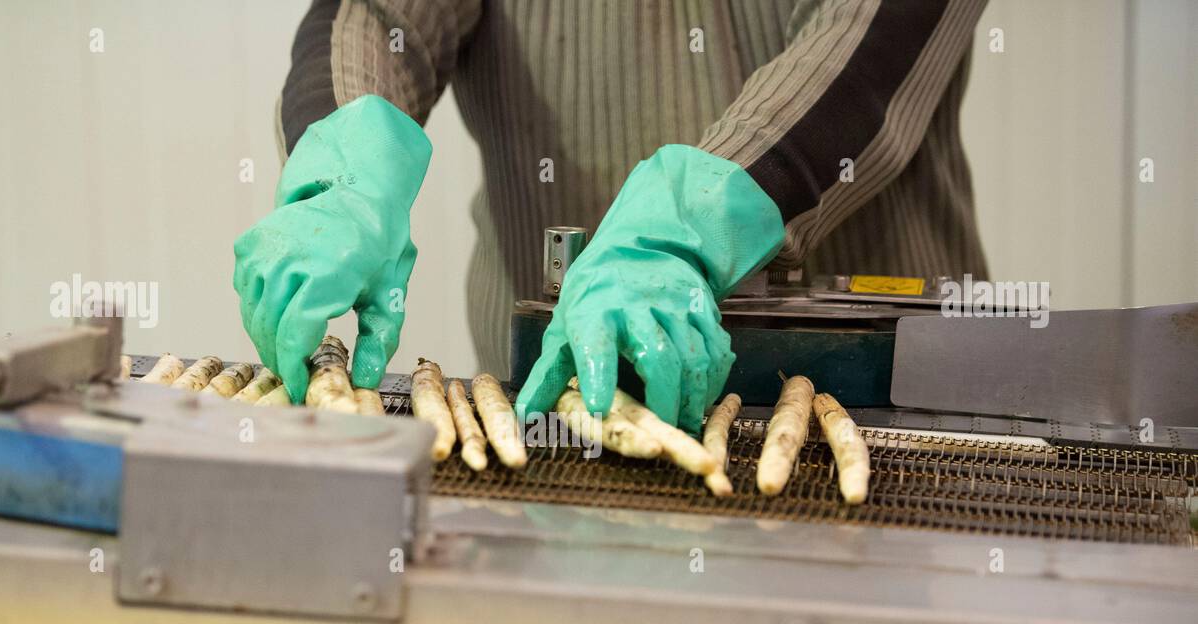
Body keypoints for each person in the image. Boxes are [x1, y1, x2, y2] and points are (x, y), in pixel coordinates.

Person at [234, 0, 988, 433]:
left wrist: (687, 224)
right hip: (560, 392)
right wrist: (346, 178)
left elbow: (874, 35)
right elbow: (376, 15)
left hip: (879, 395)